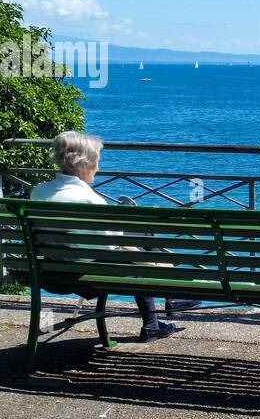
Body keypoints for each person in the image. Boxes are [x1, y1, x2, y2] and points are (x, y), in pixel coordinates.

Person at [30, 131, 194, 342]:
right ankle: (172, 298)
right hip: (89, 277)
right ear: (85, 163)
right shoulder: (89, 200)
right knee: (139, 249)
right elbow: (119, 248)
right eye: (96, 161)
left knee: (139, 232)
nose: (98, 167)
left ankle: (158, 316)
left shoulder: (39, 192)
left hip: (52, 271)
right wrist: (159, 267)